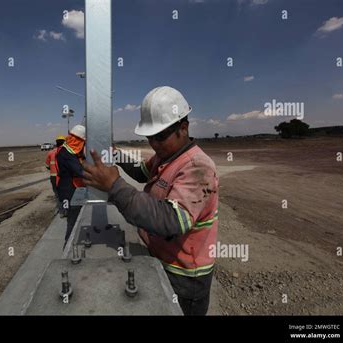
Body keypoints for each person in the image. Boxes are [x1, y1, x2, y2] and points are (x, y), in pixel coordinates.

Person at [83, 86, 219, 315]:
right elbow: (140, 172)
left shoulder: (198, 167)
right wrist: (115, 155)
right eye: (149, 137)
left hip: (184, 276)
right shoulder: (166, 156)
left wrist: (114, 186)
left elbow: (170, 220)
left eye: (160, 136)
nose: (153, 143)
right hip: (161, 259)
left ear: (183, 128)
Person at [55, 125, 86, 247]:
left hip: (70, 189)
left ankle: (70, 242)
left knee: (74, 217)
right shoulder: (67, 153)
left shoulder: (69, 150)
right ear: (78, 140)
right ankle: (68, 245)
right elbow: (79, 171)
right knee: (73, 219)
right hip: (69, 192)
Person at [45, 135, 66, 215]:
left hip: (53, 177)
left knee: (57, 195)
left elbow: (47, 166)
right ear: (64, 143)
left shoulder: (50, 153)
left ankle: (61, 212)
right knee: (65, 193)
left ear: (56, 142)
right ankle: (66, 210)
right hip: (63, 177)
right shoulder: (66, 152)